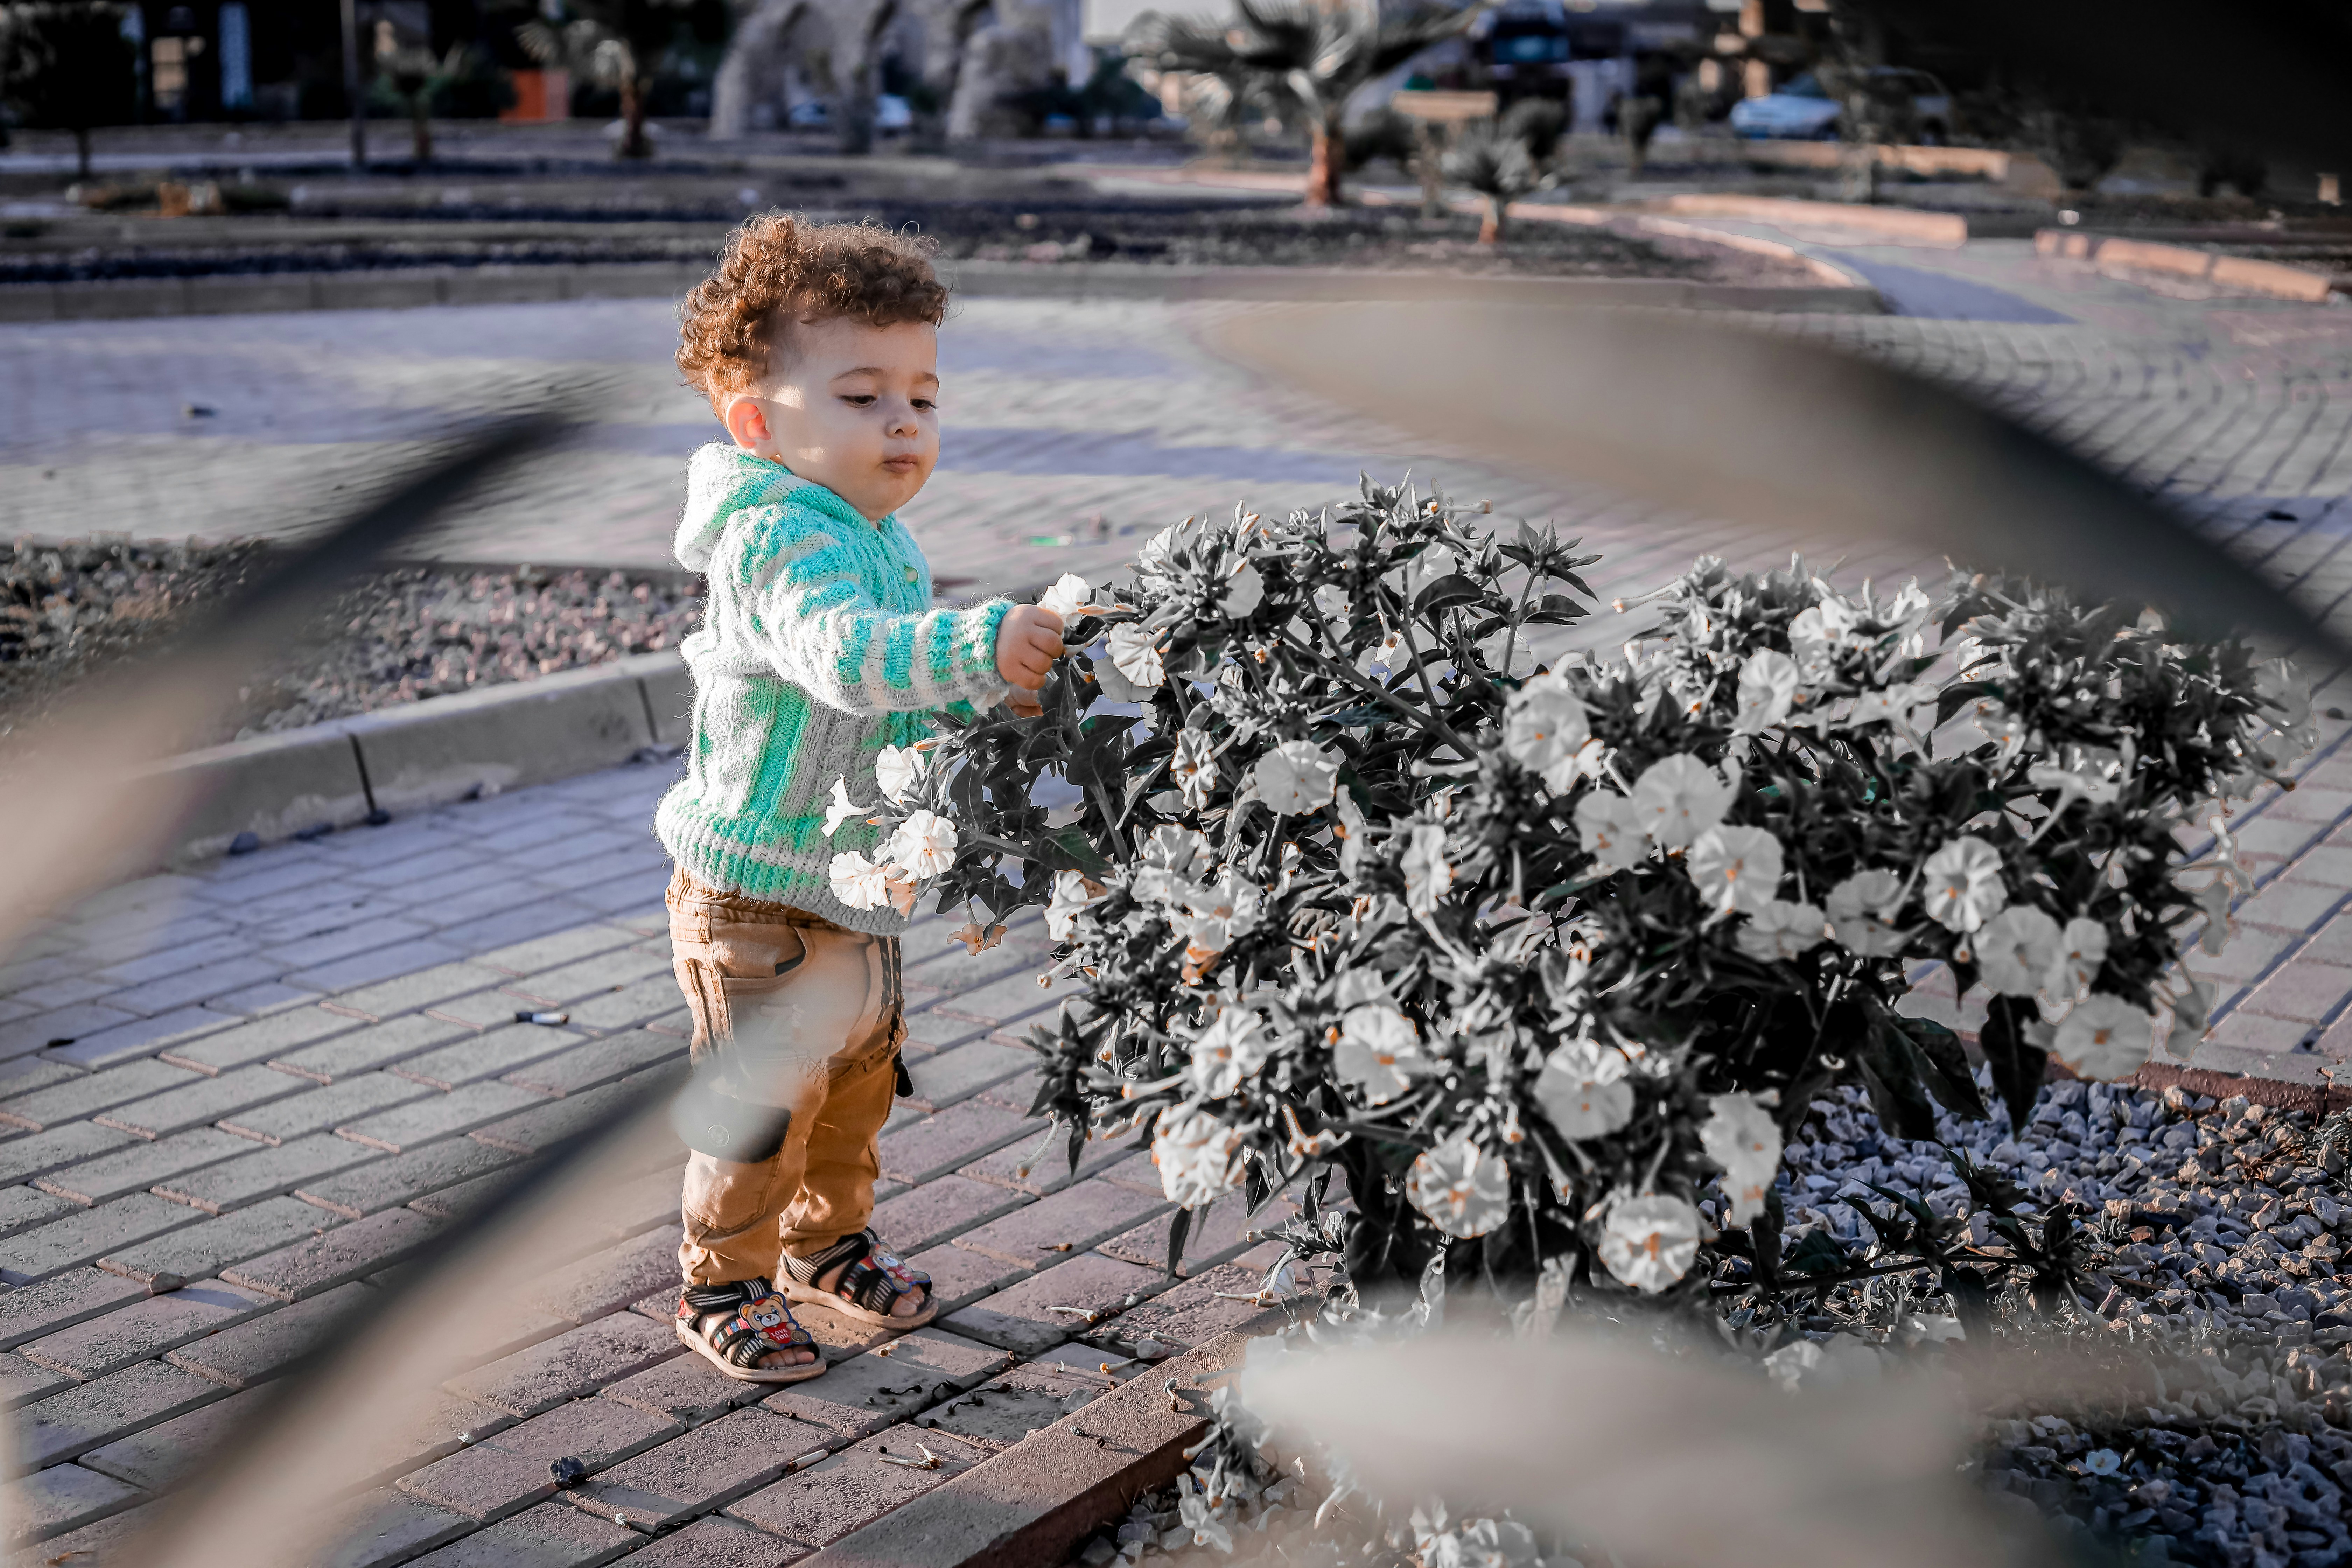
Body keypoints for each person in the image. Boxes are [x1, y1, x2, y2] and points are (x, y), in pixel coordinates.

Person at [657, 215, 1065, 1381]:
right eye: (861, 395)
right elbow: (845, 658)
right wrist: (984, 640)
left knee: (854, 1090)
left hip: (853, 881)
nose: (902, 422)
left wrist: (994, 700)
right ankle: (721, 1280)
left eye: (923, 398)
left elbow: (902, 696)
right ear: (757, 423)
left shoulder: (882, 535)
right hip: (754, 892)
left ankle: (824, 1246)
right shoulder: (775, 534)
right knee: (761, 1105)